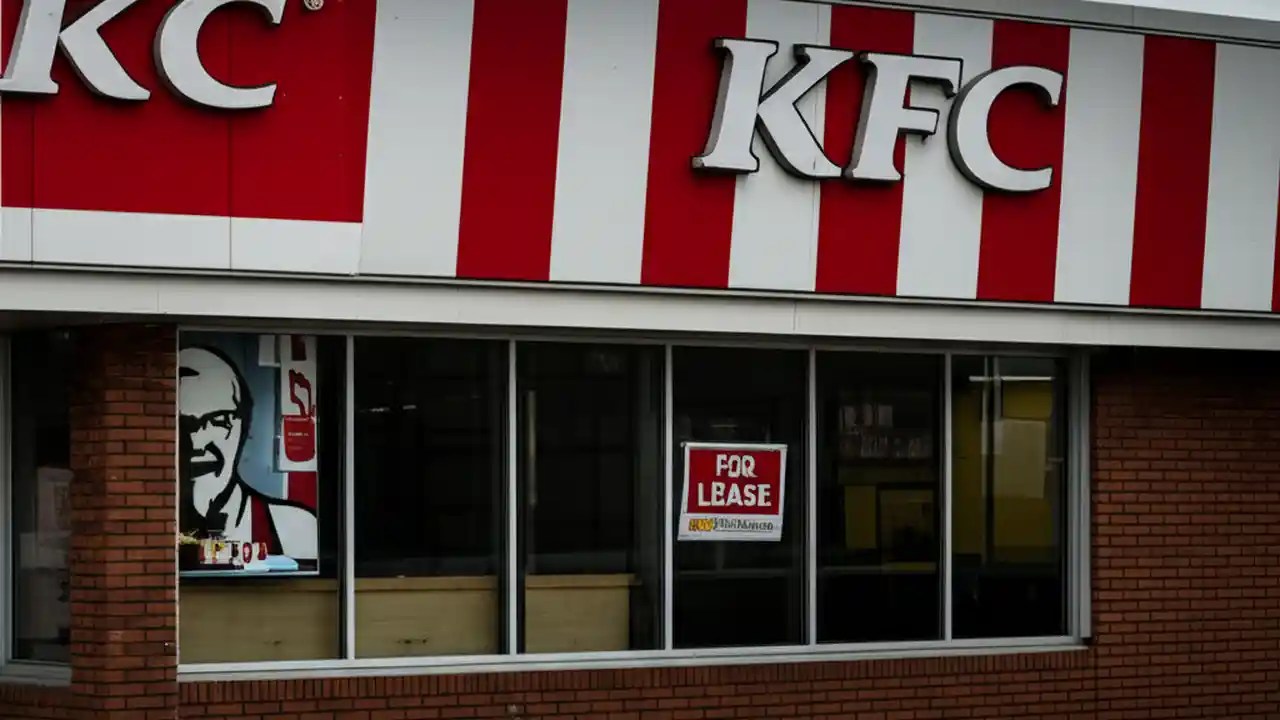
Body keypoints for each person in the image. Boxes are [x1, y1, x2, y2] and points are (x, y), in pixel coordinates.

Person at [179, 345, 317, 563]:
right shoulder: (149, 527)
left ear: (244, 430)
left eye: (218, 420)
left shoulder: (293, 528)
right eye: (183, 423)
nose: (197, 441)